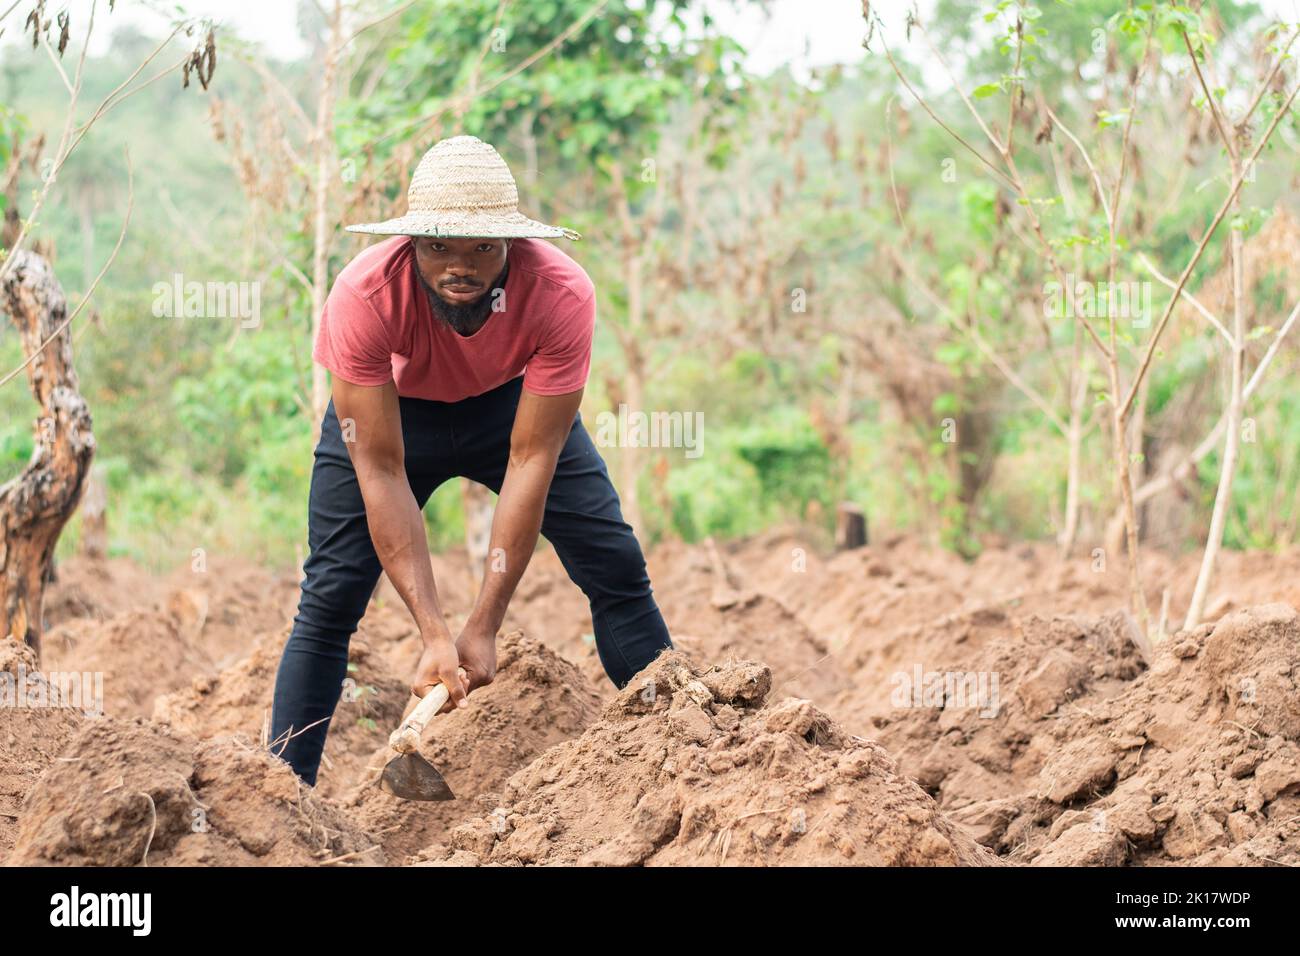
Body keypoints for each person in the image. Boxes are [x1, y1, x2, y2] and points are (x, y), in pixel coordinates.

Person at [269, 135, 673, 786]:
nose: (461, 265)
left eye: (482, 248)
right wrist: (434, 632)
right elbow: (379, 470)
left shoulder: (561, 293)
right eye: (439, 247)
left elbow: (532, 458)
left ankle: (680, 744)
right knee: (333, 595)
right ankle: (281, 794)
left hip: (511, 409)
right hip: (390, 410)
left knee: (614, 562)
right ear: (411, 244)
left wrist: (482, 626)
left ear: (511, 244)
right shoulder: (365, 294)